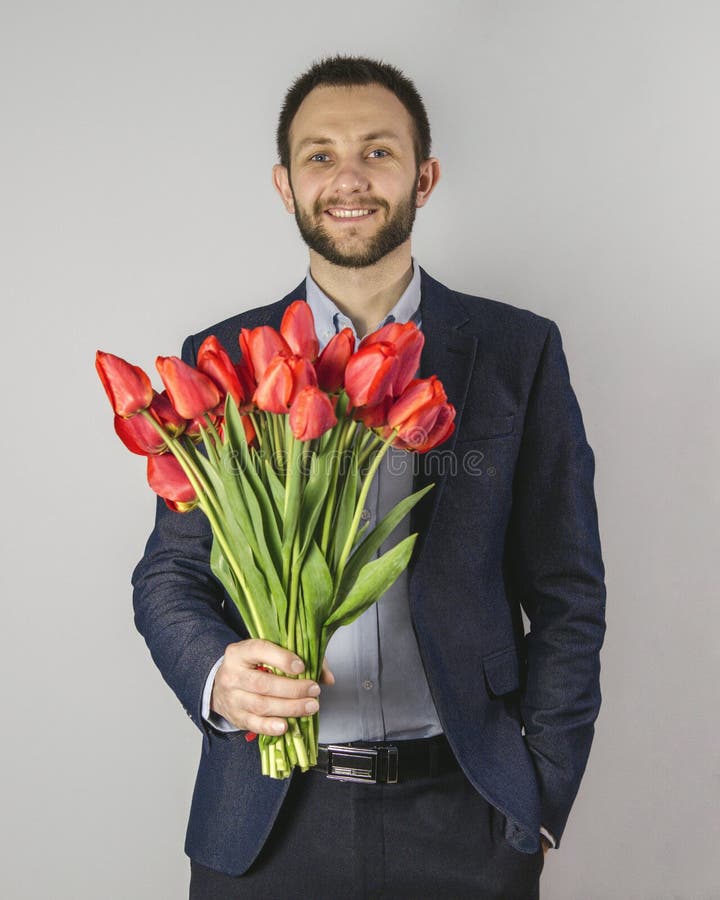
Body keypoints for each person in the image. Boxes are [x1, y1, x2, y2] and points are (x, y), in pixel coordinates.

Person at [132, 55, 606, 899]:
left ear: (424, 176)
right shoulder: (223, 357)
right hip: (267, 817)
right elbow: (169, 574)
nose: (348, 178)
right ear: (285, 185)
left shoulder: (517, 351)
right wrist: (215, 676)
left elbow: (568, 589)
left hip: (469, 818)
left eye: (377, 152)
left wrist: (540, 792)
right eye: (319, 155)